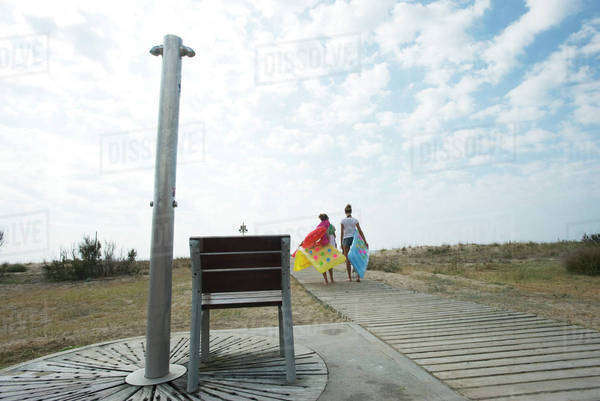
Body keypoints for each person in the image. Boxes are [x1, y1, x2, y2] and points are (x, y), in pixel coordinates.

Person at [340, 204, 368, 282]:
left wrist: (341, 243)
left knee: (348, 259)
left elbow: (342, 233)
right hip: (354, 239)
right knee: (356, 258)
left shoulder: (343, 221)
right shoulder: (355, 220)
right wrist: (365, 241)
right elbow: (360, 231)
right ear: (351, 211)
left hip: (346, 239)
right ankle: (358, 277)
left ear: (345, 212)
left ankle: (349, 278)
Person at [317, 213, 335, 284]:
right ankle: (332, 279)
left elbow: (317, 236)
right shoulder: (328, 223)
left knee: (322, 262)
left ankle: (326, 280)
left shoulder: (318, 226)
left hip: (321, 245)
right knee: (329, 262)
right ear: (327, 218)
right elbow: (329, 233)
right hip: (328, 244)